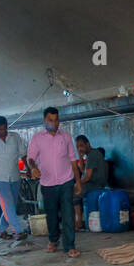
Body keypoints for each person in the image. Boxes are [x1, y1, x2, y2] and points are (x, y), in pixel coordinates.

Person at [26, 107, 81, 256]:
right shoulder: (37, 138)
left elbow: (73, 160)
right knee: (51, 215)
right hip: (47, 183)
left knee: (68, 213)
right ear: (44, 120)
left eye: (56, 120)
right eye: (50, 120)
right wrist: (33, 168)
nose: (54, 123)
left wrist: (78, 182)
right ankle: (53, 239)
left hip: (66, 181)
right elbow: (30, 158)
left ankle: (70, 246)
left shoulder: (66, 137)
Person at [73, 134, 108, 230]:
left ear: (87, 144)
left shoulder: (93, 155)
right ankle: (78, 221)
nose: (80, 148)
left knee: (74, 191)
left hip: (95, 184)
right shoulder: (90, 155)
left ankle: (78, 221)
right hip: (93, 183)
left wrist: (77, 184)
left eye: (81, 146)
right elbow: (83, 170)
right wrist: (80, 156)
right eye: (77, 147)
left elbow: (87, 177)